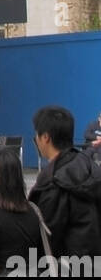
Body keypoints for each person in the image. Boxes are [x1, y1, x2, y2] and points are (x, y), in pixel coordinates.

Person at [29, 105, 101, 258]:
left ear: (45, 137)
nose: (36, 138)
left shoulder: (52, 183)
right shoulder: (91, 167)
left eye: (36, 134)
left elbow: (46, 237)